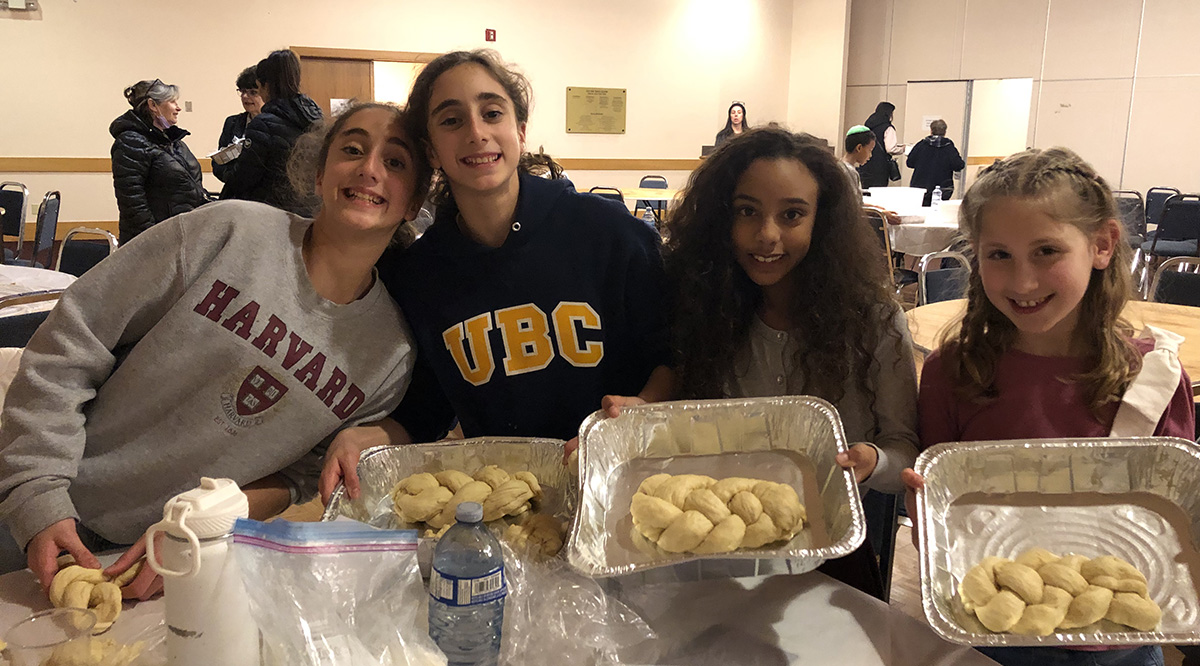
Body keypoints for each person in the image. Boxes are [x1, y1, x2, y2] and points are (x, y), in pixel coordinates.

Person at [0, 102, 428, 601]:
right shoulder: (228, 231)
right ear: (317, 174)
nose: (370, 168)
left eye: (395, 162)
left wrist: (203, 528)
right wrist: (38, 495)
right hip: (37, 512)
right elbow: (71, 343)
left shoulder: (390, 355)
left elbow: (300, 474)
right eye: (351, 150)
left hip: (181, 565)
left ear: (416, 201)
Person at [319, 50, 673, 502]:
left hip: (630, 484)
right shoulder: (421, 275)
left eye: (491, 113)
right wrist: (365, 436)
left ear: (520, 131)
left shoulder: (608, 233)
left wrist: (643, 409)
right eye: (451, 121)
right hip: (509, 501)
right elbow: (428, 408)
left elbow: (671, 354)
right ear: (431, 151)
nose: (476, 133)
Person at [903, 147, 1193, 666]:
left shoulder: (1153, 379)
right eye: (999, 255)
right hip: (994, 634)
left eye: (1046, 251)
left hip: (1122, 641)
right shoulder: (954, 372)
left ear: (1102, 244)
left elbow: (1174, 524)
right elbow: (940, 519)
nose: (1023, 282)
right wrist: (923, 510)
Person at [662, 126, 919, 596]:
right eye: (747, 212)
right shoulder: (700, 312)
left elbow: (904, 444)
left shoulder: (874, 322)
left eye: (792, 215)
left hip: (831, 561)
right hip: (714, 555)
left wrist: (873, 462)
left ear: (822, 222)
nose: (767, 236)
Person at [220, 49, 324, 215]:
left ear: (265, 86)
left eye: (256, 89)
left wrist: (226, 173)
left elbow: (245, 178)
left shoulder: (263, 124)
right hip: (309, 208)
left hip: (272, 211)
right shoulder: (317, 120)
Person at [109, 79, 208, 245]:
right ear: (153, 106)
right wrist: (154, 239)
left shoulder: (173, 141)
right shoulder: (130, 142)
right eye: (172, 102)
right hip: (157, 241)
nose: (178, 108)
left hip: (184, 233)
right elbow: (133, 202)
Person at [212, 66, 264, 183]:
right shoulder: (232, 123)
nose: (245, 96)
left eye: (253, 92)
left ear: (265, 94)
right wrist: (232, 177)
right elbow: (218, 161)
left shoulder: (274, 124)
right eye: (243, 91)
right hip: (234, 189)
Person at [906, 119, 965, 206]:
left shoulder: (922, 145)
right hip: (943, 188)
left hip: (920, 187)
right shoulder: (949, 147)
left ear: (931, 131)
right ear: (945, 132)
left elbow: (910, 163)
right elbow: (959, 165)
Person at [859, 102, 904, 189]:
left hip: (865, 163)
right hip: (880, 167)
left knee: (865, 191)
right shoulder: (888, 127)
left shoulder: (867, 125)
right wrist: (903, 149)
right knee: (878, 192)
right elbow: (890, 148)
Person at [841, 124, 876, 191]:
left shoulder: (840, 165)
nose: (870, 155)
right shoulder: (850, 172)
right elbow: (855, 201)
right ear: (859, 148)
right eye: (870, 150)